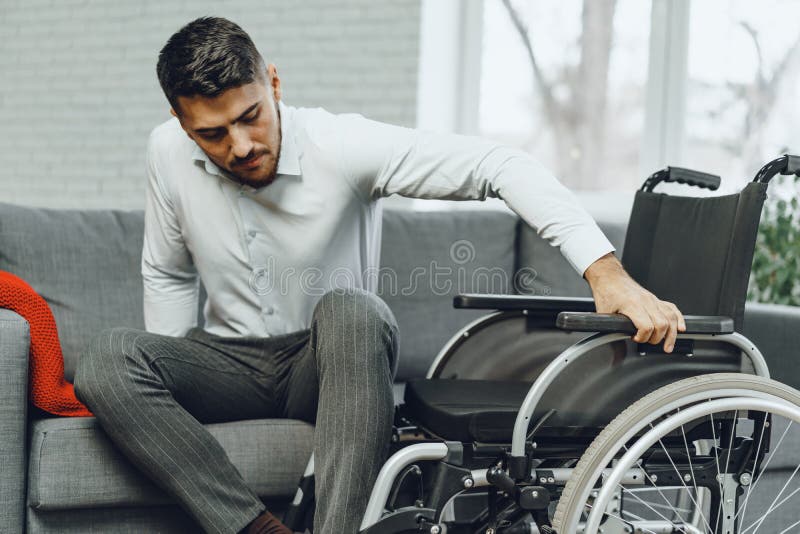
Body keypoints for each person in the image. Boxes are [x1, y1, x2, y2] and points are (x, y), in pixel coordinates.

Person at [73, 16, 686, 534]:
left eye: (251, 116)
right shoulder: (165, 151)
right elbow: (168, 272)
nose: (239, 146)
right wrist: (176, 385)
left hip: (327, 357)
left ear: (274, 85)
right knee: (105, 359)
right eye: (211, 133)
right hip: (225, 361)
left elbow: (501, 164)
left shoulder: (342, 145)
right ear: (182, 125)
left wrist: (607, 275)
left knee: (355, 310)